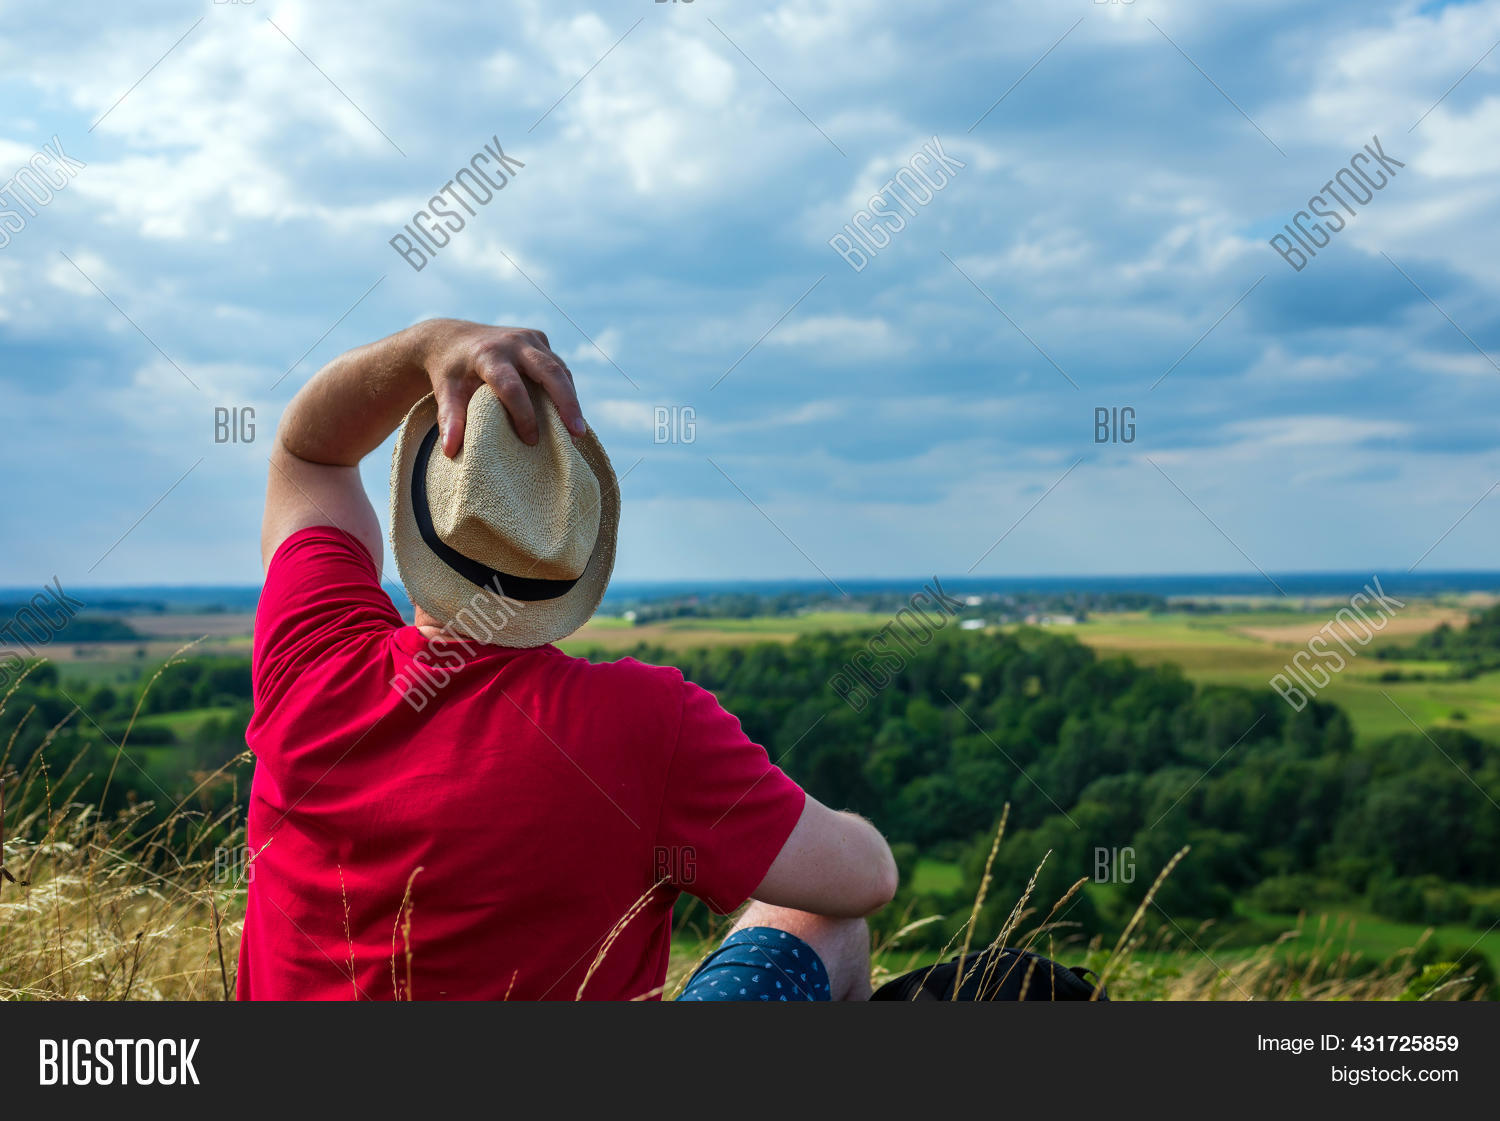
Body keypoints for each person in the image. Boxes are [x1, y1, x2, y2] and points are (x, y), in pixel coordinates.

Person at [241, 317, 897, 1001]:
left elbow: (309, 452)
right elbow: (865, 879)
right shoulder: (644, 726)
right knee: (823, 922)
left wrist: (423, 348)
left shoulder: (311, 647)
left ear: (422, 517)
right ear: (569, 559)